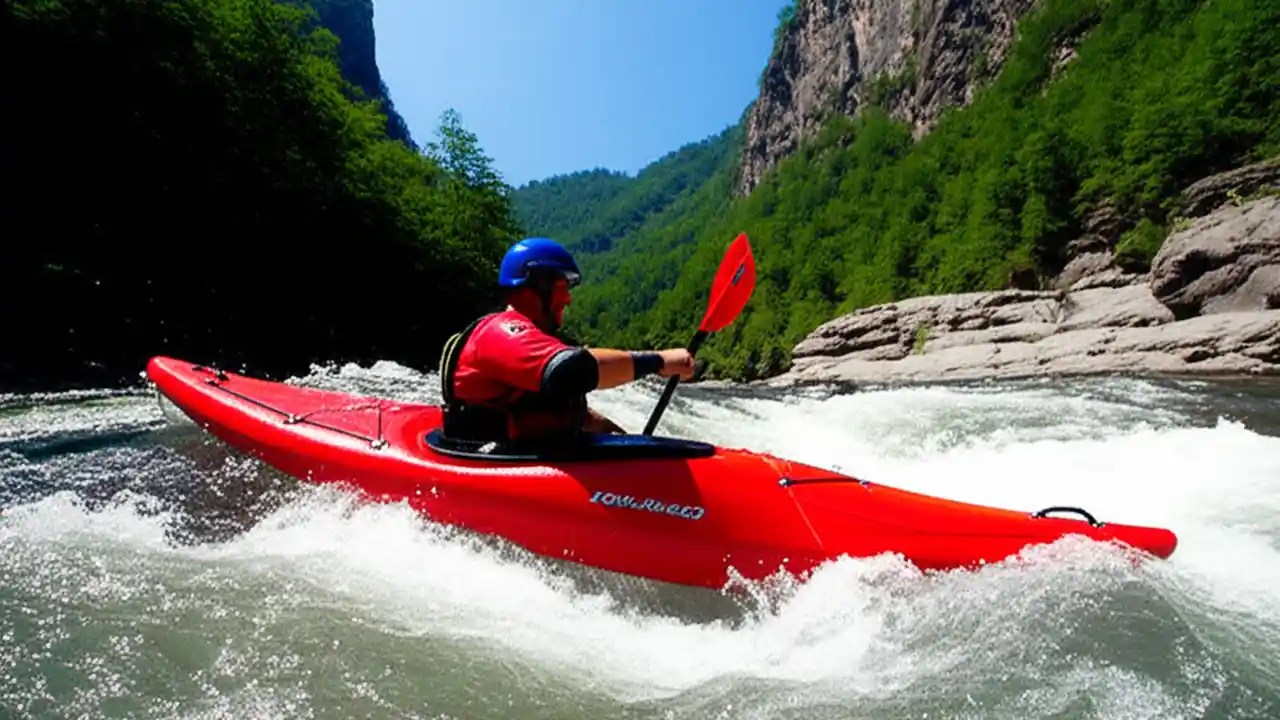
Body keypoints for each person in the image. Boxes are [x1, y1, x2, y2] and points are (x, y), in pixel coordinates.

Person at [438, 237, 695, 447]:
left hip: (528, 457)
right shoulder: (500, 332)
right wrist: (659, 361)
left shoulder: (529, 340)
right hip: (493, 469)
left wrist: (616, 435)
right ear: (537, 284)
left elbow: (549, 404)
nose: (568, 299)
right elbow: (571, 371)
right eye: (563, 286)